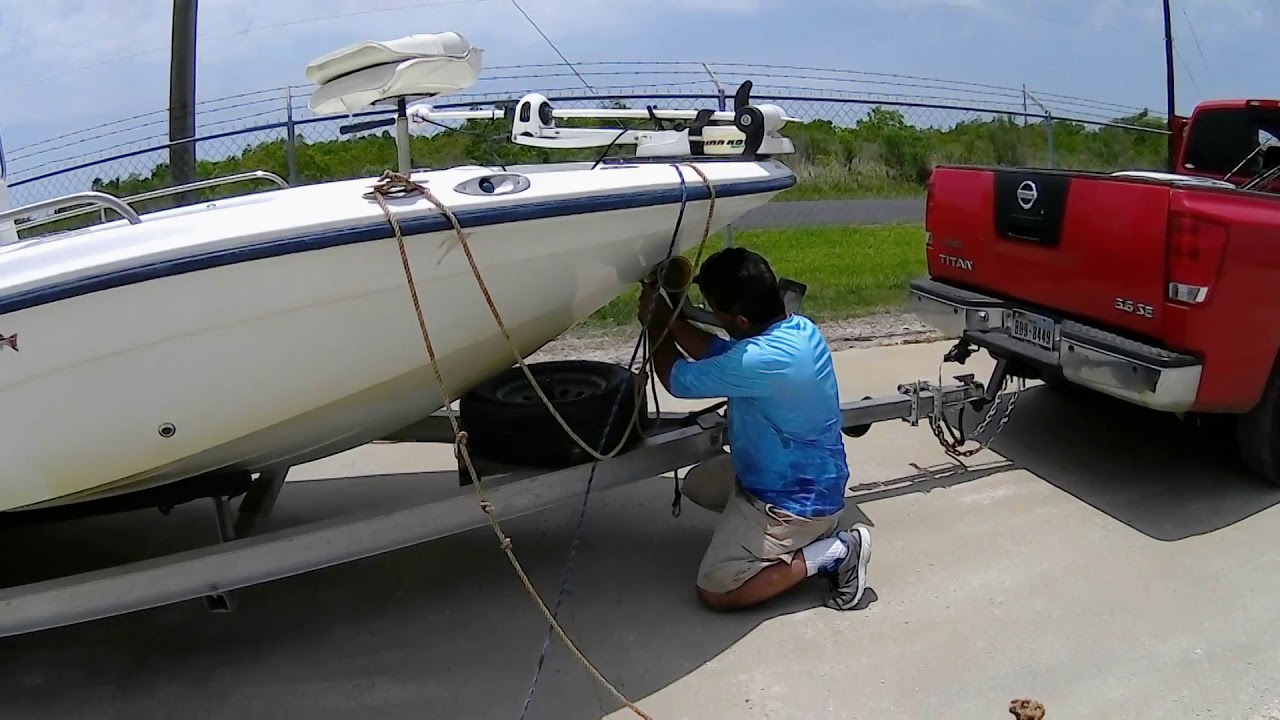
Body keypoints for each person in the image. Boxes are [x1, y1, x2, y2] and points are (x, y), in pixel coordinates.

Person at [638, 246, 871, 612]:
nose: (708, 311)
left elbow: (676, 378)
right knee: (700, 485)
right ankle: (787, 538)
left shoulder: (759, 359)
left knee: (716, 590)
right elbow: (718, 352)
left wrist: (656, 323)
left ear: (742, 320)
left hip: (793, 504)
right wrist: (670, 319)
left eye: (713, 308)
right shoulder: (798, 330)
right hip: (808, 482)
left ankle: (835, 552)